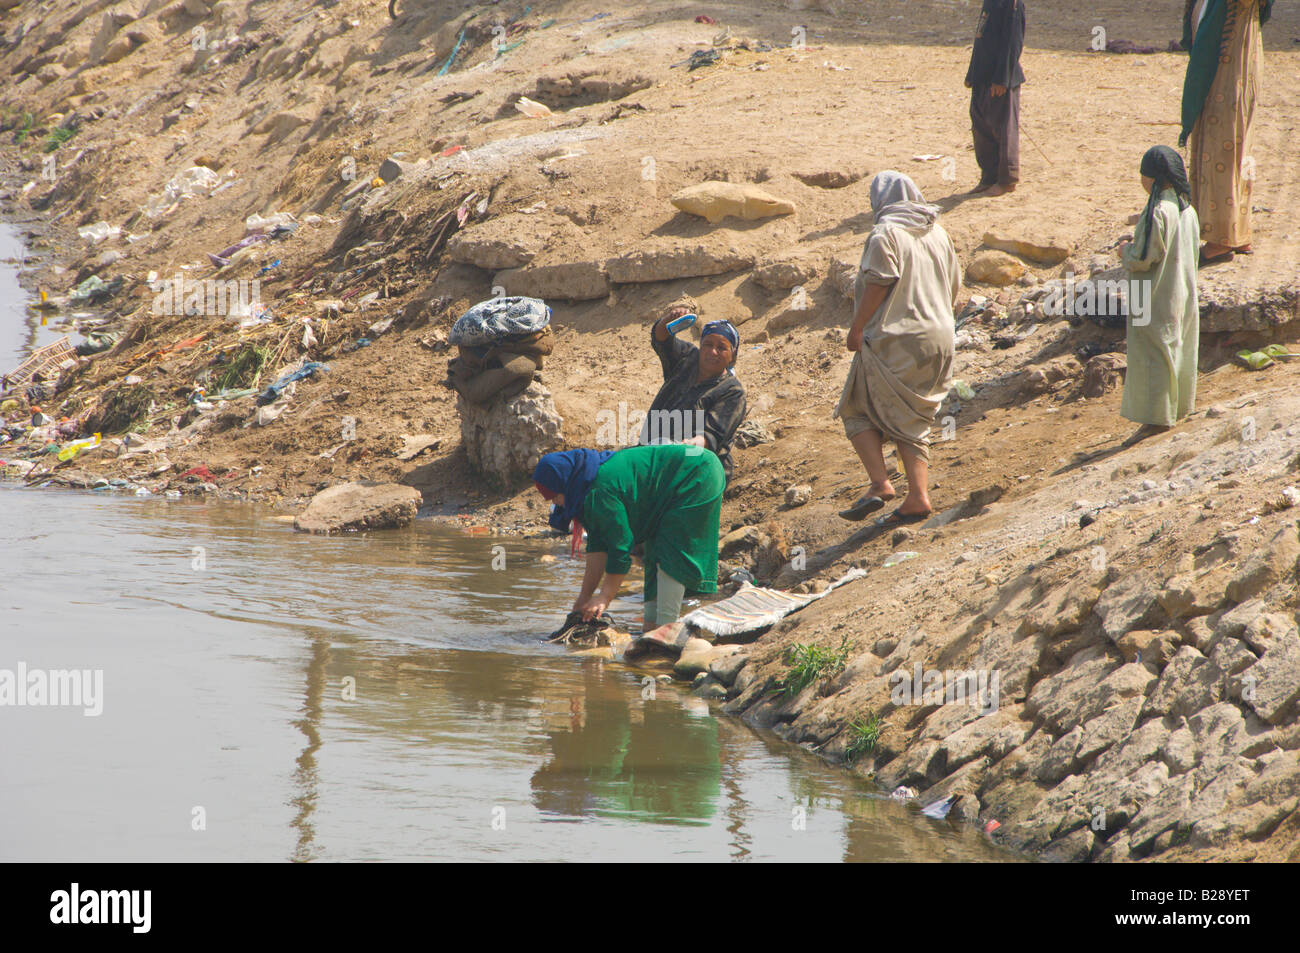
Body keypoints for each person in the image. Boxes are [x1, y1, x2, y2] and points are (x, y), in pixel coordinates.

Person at [836, 172, 960, 526]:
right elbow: (954, 285)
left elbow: (880, 280)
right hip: (941, 335)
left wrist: (857, 328)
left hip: (896, 337)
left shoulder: (885, 233)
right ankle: (915, 495)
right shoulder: (938, 232)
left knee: (855, 408)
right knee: (915, 417)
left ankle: (881, 484)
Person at [534, 444, 725, 629]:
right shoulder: (586, 487)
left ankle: (668, 628)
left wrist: (605, 597)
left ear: (566, 483)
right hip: (680, 477)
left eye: (555, 497)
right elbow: (597, 548)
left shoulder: (599, 490)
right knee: (654, 552)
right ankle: (652, 626)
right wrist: (583, 599)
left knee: (671, 550)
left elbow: (620, 547)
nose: (556, 504)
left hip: (696, 471)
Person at [1180, 0, 1273, 265]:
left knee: (1226, 145)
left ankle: (1221, 240)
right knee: (1228, 145)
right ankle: (1237, 232)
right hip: (1220, 67)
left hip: (1232, 69)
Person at [1117, 147, 1200, 442]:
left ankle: (1156, 418)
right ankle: (1178, 407)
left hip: (1150, 294)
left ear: (1151, 178)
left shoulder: (1158, 210)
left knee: (1152, 352)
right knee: (1176, 346)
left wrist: (1124, 250)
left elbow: (1142, 257)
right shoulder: (1186, 208)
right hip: (1181, 290)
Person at [644, 303, 746, 482]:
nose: (712, 352)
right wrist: (669, 320)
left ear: (732, 353)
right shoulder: (687, 358)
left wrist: (681, 448)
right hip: (653, 451)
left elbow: (710, 438)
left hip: (694, 466)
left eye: (721, 348)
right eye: (707, 345)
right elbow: (660, 339)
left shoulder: (732, 391)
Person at [965, 0, 1026, 197]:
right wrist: (971, 74)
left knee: (1003, 129)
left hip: (1001, 78)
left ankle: (1007, 180)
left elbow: (1012, 43)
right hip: (982, 76)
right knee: (981, 127)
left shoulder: (1012, 4)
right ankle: (988, 176)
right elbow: (981, 39)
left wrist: (1002, 79)